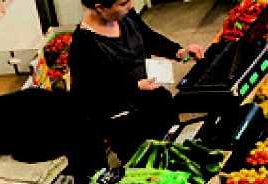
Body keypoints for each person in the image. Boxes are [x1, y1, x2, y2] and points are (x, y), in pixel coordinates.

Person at [69, 0, 205, 162]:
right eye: (123, 3)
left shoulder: (124, 15)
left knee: (178, 152)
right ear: (100, 8)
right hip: (128, 124)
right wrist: (135, 86)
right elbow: (88, 97)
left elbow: (147, 37)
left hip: (156, 104)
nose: (131, 6)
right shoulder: (83, 46)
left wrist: (179, 52)